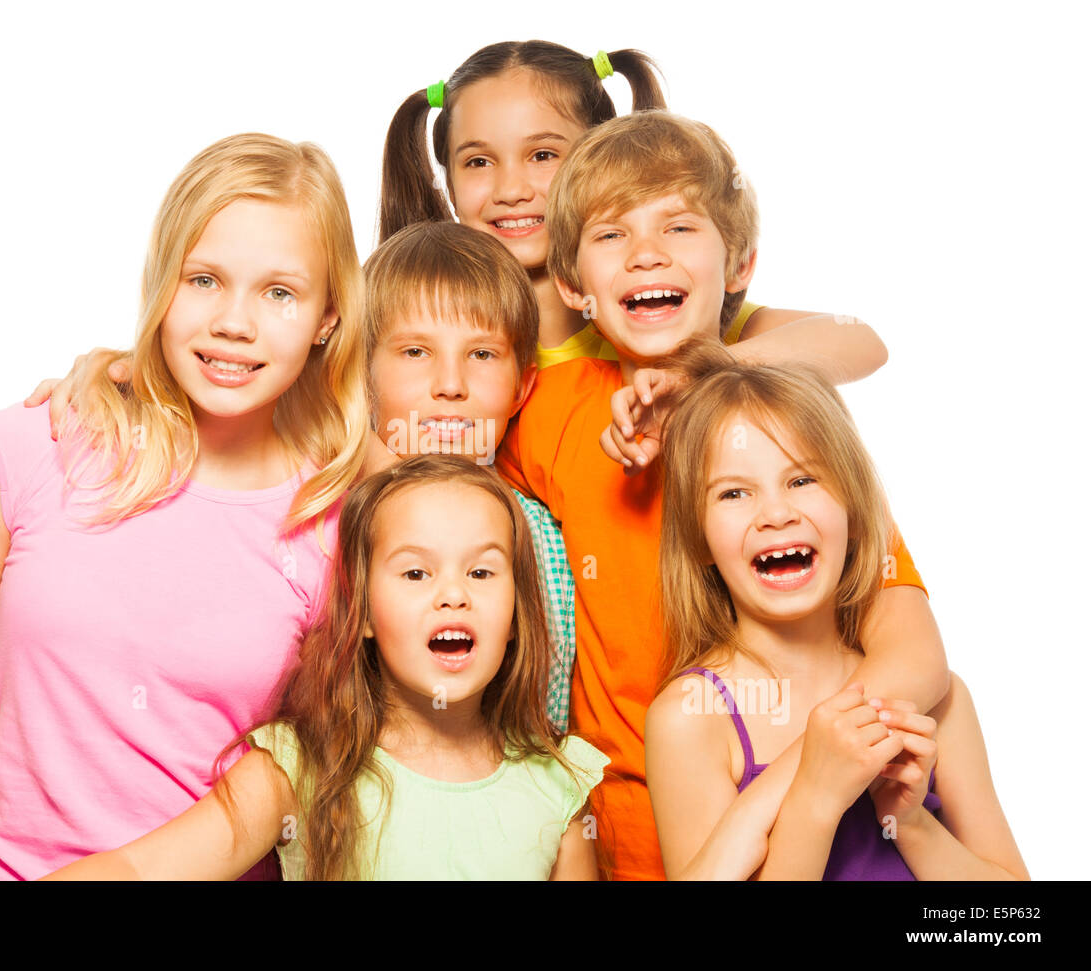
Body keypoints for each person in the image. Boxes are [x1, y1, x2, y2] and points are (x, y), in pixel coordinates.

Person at [0, 133, 369, 880]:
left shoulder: (339, 518)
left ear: (327, 318)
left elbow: (309, 774)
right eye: (203, 280)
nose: (234, 322)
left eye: (279, 292)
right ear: (162, 284)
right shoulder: (33, 445)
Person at [494, 109, 949, 880]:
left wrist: (709, 372)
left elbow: (862, 338)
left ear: (738, 264)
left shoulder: (778, 426)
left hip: (813, 811)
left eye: (678, 228)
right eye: (611, 236)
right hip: (625, 838)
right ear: (573, 284)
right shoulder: (546, 407)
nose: (645, 254)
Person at [46, 455, 608, 880]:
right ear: (361, 611)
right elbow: (139, 871)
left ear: (516, 614)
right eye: (416, 574)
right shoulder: (298, 767)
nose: (453, 596)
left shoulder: (561, 785)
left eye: (482, 573)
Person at [646, 343, 1027, 880]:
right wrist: (815, 800)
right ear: (699, 536)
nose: (775, 513)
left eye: (803, 480)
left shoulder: (941, 701)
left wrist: (909, 822)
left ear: (852, 508)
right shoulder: (691, 718)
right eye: (734, 493)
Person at [378, 39, 886, 374]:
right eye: (478, 162)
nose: (511, 188)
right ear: (448, 177)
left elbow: (860, 342)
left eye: (543, 155)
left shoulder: (660, 313)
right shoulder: (439, 339)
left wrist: (703, 371)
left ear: (604, 156)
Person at [361, 220, 576, 730]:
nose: (451, 384)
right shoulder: (327, 513)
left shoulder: (541, 534)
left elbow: (549, 719)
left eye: (481, 354)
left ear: (522, 387)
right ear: (360, 372)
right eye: (416, 352)